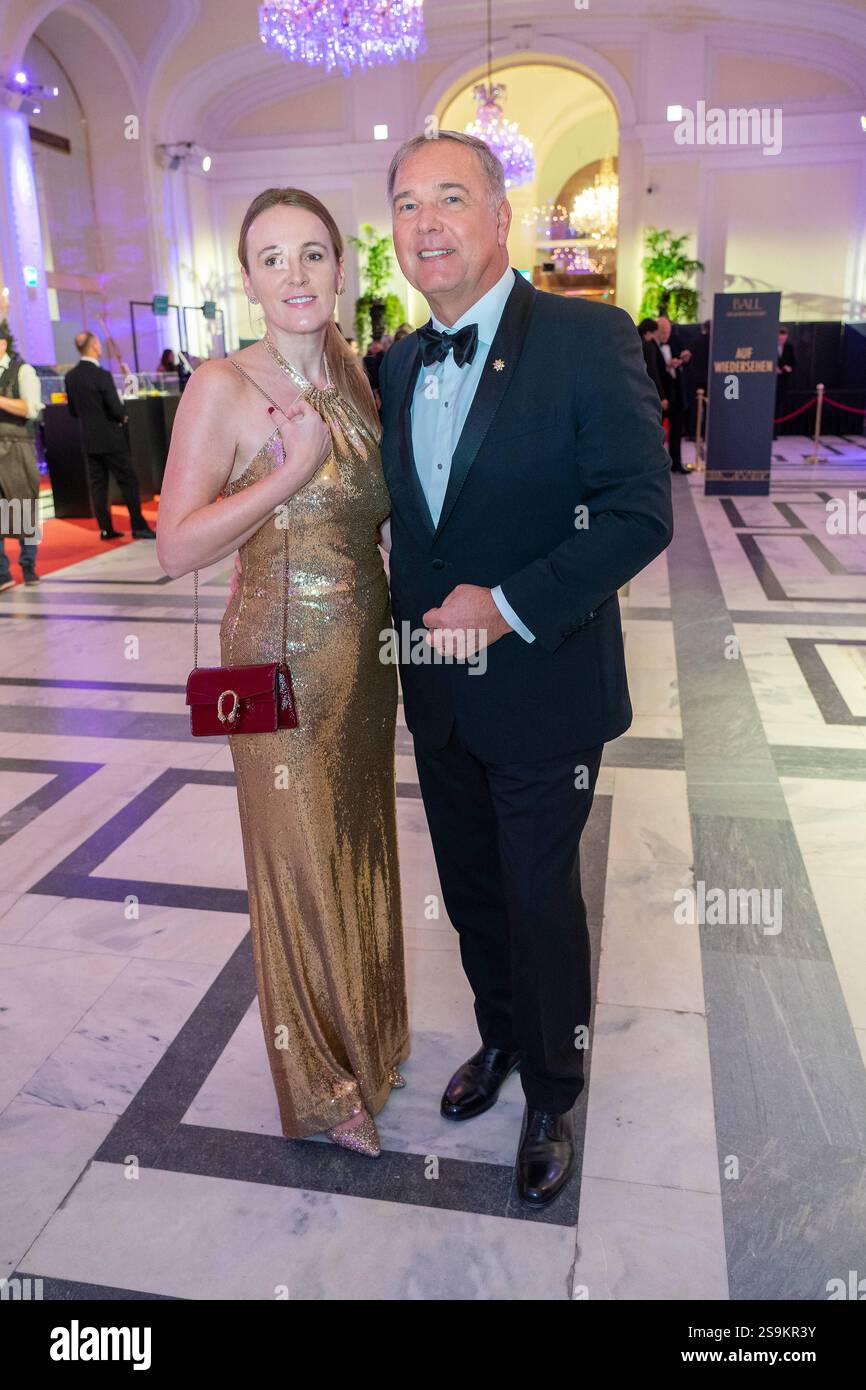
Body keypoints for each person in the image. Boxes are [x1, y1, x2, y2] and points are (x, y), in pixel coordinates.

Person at [377, 131, 673, 1206]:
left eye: (449, 198)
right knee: (470, 890)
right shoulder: (399, 360)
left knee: (539, 895)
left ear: (501, 215)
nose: (426, 224)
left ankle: (554, 1088)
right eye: (406, 205)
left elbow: (639, 515)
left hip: (545, 685)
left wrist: (502, 609)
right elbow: (419, 530)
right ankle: (500, 1036)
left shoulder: (587, 337)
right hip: (438, 693)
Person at [159, 187, 410, 1158]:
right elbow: (171, 548)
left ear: (341, 268)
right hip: (269, 655)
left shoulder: (349, 368)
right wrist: (284, 473)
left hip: (361, 658)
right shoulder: (222, 384)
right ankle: (319, 1086)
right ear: (247, 277)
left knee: (355, 846)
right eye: (273, 258)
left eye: (313, 254)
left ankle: (371, 1039)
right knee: (294, 865)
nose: (295, 275)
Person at [64, 332, 156, 539]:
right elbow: (115, 408)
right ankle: (138, 526)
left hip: (88, 439)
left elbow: (72, 410)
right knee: (128, 481)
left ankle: (105, 529)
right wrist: (122, 416)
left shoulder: (71, 377)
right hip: (111, 439)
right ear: (95, 346)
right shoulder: (102, 376)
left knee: (98, 485)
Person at [0, 319, 42, 591]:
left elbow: (31, 408)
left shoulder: (22, 370)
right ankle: (2, 573)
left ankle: (29, 566)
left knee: (24, 506)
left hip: (17, 445)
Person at [637, 316, 667, 409]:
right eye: (653, 333)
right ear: (647, 332)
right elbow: (653, 371)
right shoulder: (648, 347)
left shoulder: (633, 342)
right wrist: (661, 396)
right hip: (645, 391)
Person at [775, 326, 796, 438]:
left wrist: (789, 368)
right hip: (772, 382)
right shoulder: (770, 347)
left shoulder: (789, 348)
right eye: (780, 338)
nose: (782, 340)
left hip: (783, 382)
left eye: (784, 338)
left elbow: (793, 363)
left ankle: (776, 432)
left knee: (779, 407)